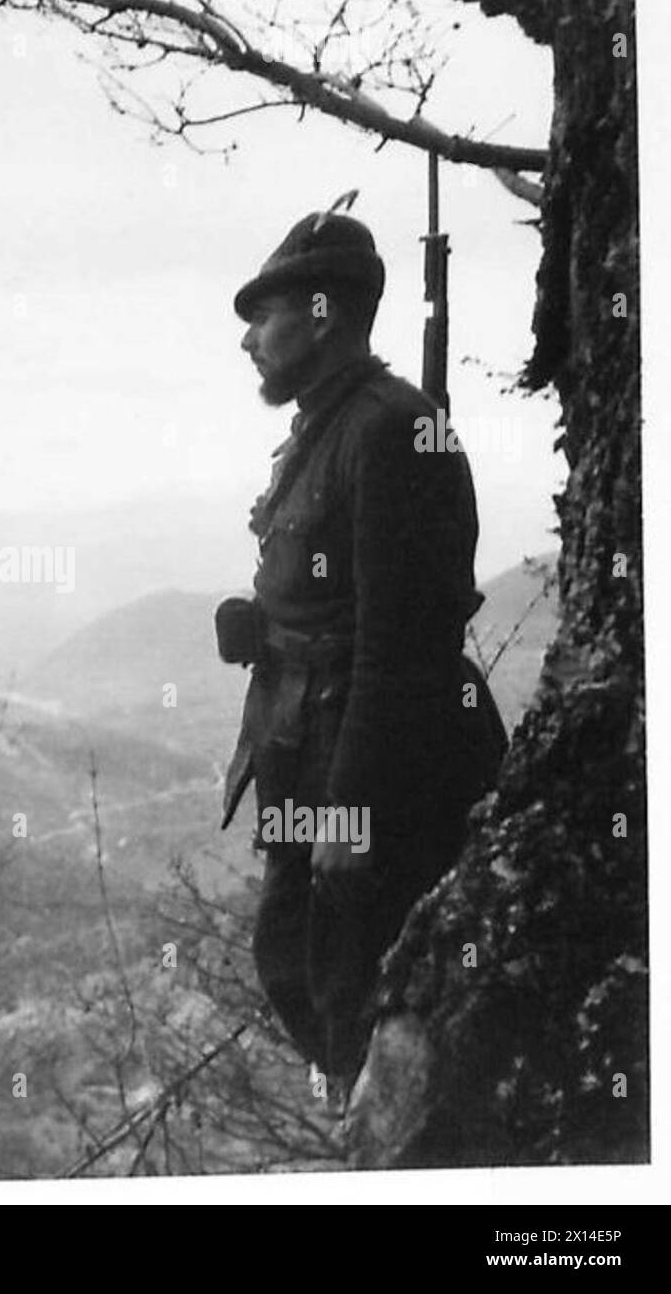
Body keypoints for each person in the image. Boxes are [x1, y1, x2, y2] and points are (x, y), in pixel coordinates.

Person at [215, 208, 507, 1100]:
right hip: (304, 752)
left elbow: (401, 644)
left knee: (352, 984)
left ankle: (397, 1146)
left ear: (321, 312)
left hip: (359, 769)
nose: (249, 342)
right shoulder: (327, 426)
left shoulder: (390, 430)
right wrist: (259, 624)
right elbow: (338, 590)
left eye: (262, 317)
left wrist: (353, 812)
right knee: (294, 960)